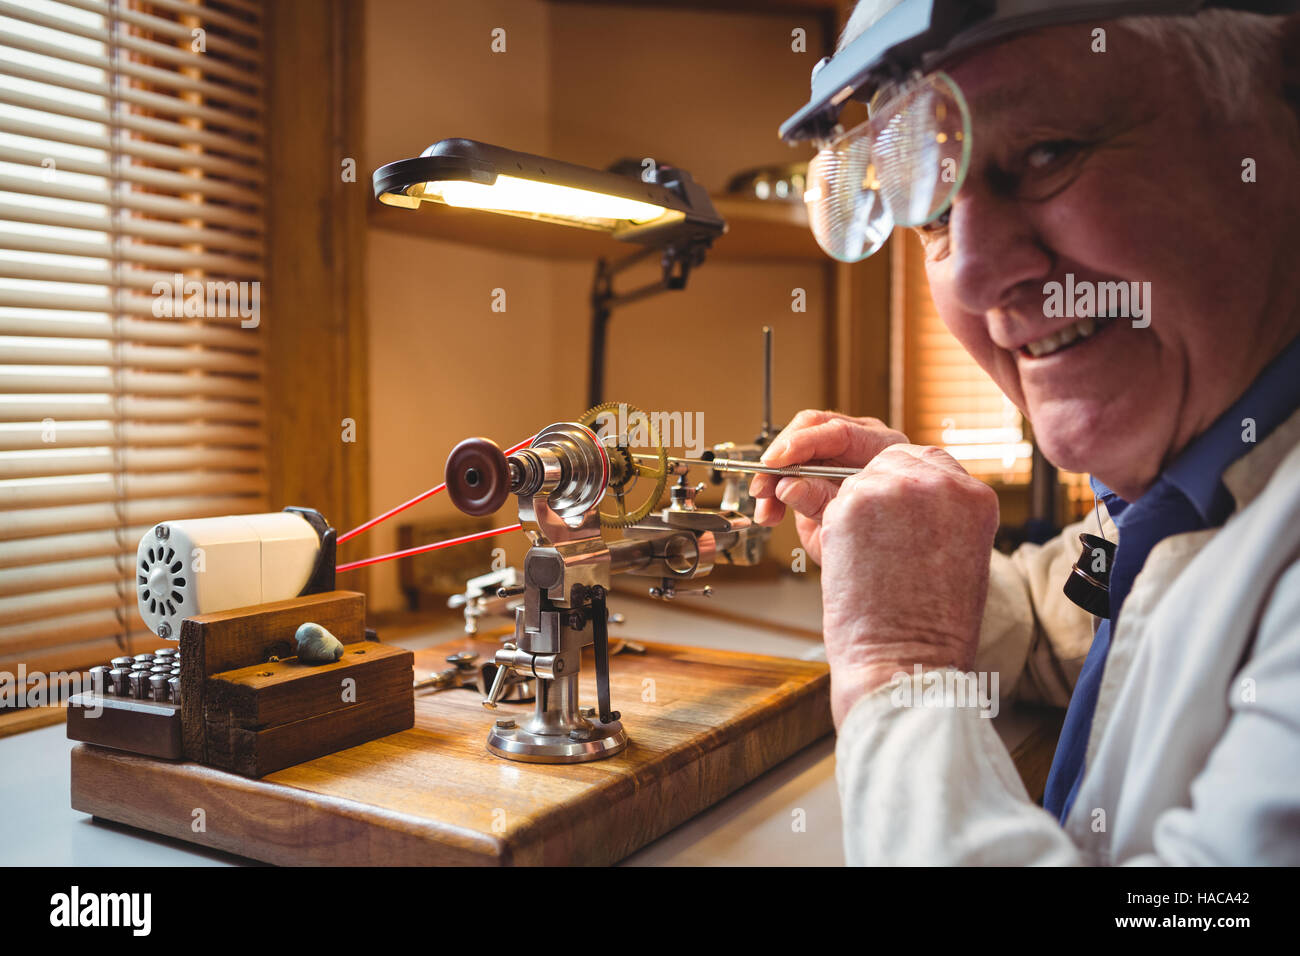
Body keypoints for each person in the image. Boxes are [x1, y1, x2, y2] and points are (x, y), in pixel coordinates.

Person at [754, 0, 1300, 864]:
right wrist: (916, 563)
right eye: (932, 208)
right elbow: (1067, 620)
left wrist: (899, 670)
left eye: (1047, 153)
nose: (971, 273)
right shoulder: (1195, 488)